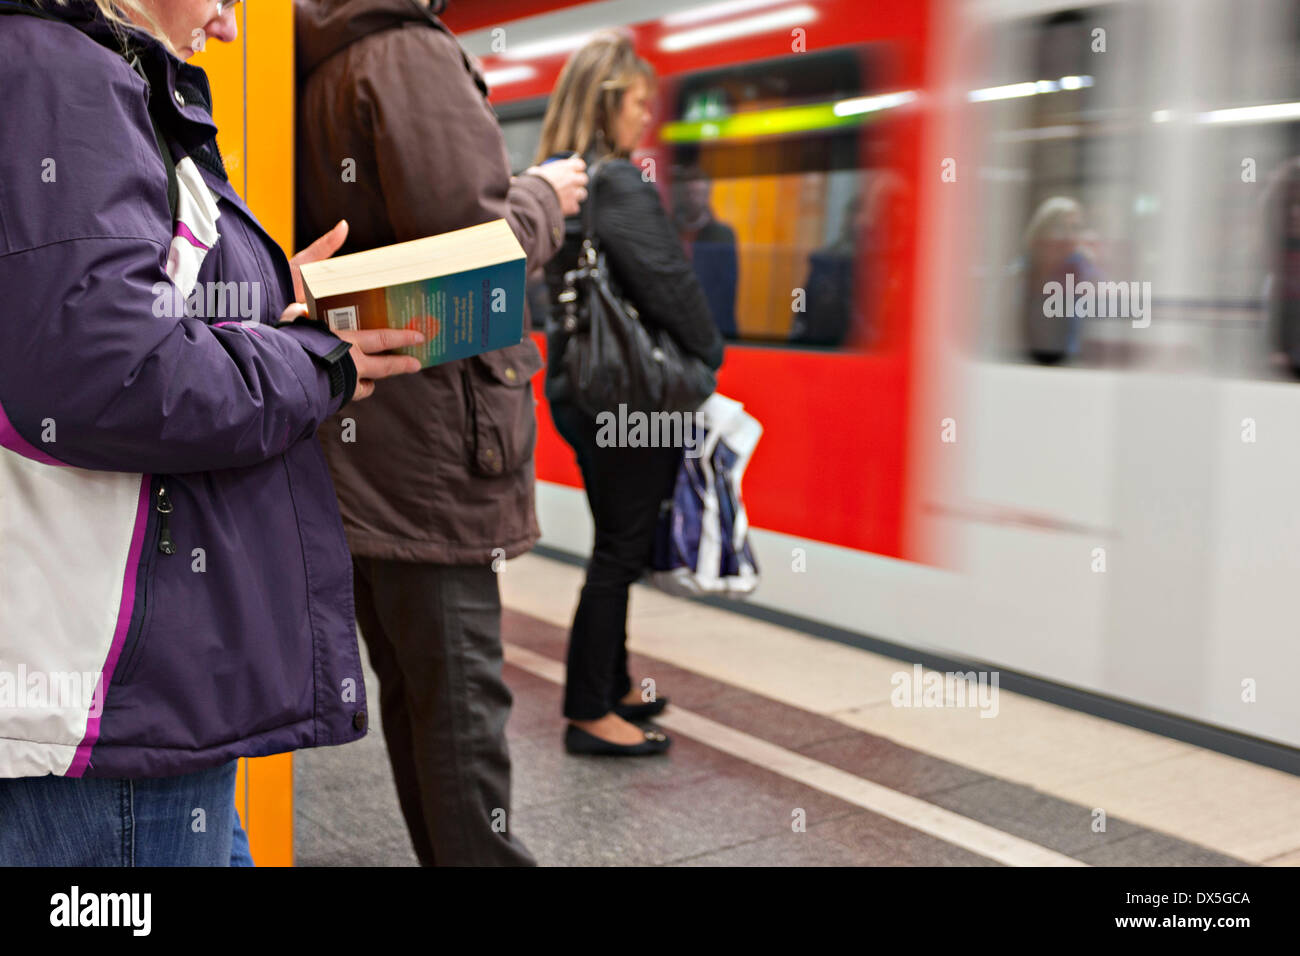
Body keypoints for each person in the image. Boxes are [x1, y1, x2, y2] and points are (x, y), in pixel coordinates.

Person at [0, 0, 423, 866]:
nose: (230, 25)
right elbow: (113, 374)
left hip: (136, 684)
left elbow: (108, 317)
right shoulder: (60, 74)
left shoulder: (78, 70)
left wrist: (273, 293)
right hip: (111, 693)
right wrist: (322, 362)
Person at [295, 0, 587, 866]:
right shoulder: (404, 54)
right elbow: (472, 258)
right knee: (462, 720)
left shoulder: (318, 58)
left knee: (422, 704)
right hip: (432, 447)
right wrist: (545, 197)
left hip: (369, 442)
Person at [537, 32, 725, 756]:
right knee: (620, 548)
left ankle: (611, 684)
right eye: (641, 102)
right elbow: (668, 284)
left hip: (582, 391)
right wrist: (709, 353)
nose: (646, 117)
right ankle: (590, 712)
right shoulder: (615, 181)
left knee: (615, 539)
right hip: (629, 398)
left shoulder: (563, 177)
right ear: (611, 99)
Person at [672, 165, 738, 338]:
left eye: (699, 193)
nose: (693, 198)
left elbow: (726, 288)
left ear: (707, 195)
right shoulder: (670, 228)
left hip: (712, 324)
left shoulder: (722, 235)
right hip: (675, 320)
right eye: (689, 193)